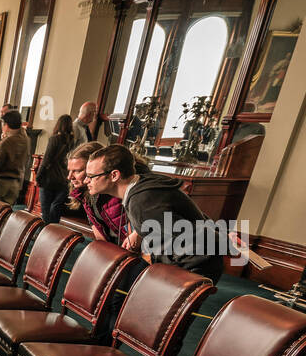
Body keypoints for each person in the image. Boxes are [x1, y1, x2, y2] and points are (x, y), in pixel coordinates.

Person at [87, 143, 222, 284]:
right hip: (197, 258)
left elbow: (183, 247)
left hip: (196, 265)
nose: (87, 181)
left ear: (114, 175)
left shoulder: (141, 202)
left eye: (91, 176)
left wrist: (170, 279)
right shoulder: (141, 187)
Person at [66, 141, 129, 245]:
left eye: (77, 171)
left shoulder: (115, 190)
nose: (69, 177)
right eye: (70, 171)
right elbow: (99, 233)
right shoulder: (84, 193)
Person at [35, 114, 76, 224]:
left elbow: (46, 160)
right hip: (64, 178)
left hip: (50, 178)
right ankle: (54, 231)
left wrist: (38, 177)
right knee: (56, 207)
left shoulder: (54, 139)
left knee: (46, 209)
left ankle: (46, 231)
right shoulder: (72, 141)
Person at [0, 110, 27, 204]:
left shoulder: (5, 143)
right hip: (15, 183)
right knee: (7, 212)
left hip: (1, 183)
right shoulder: (25, 140)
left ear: (6, 125)